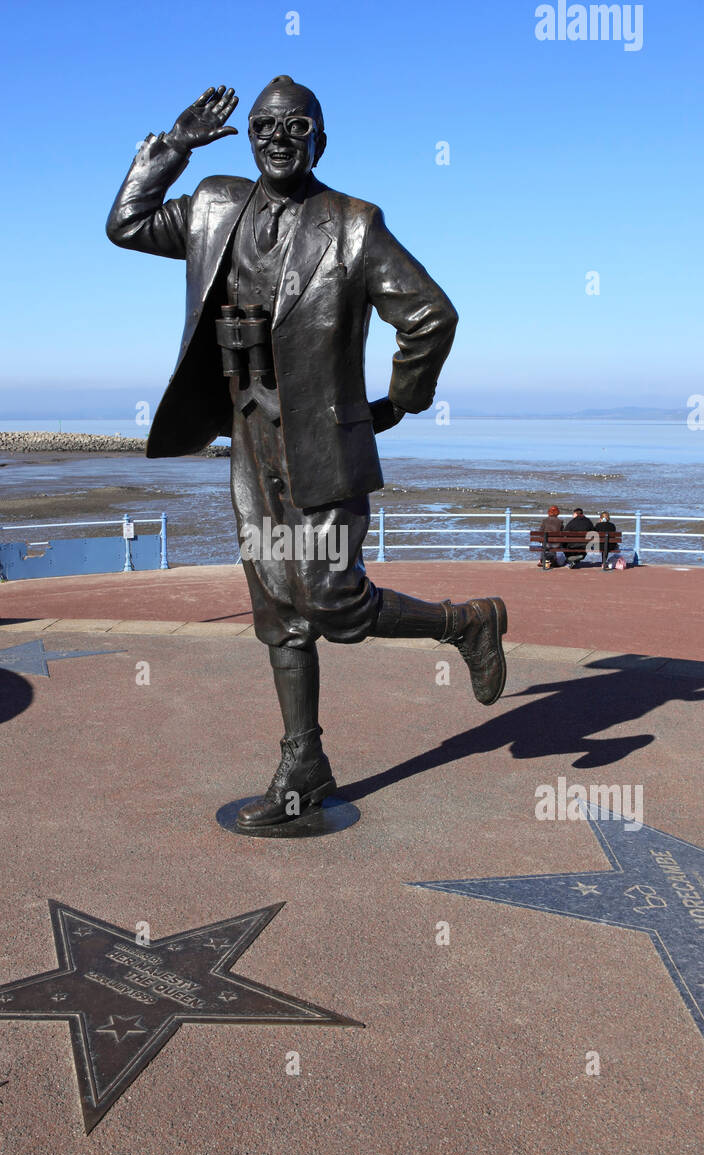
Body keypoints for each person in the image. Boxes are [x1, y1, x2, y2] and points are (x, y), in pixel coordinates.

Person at [106, 78, 508, 829]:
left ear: (320, 139)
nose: (278, 138)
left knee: (333, 602)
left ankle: (465, 623)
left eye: (296, 127)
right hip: (249, 439)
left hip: (322, 440)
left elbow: (429, 314)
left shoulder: (353, 224)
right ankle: (304, 762)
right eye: (264, 127)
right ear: (249, 138)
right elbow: (125, 225)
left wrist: (399, 402)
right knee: (277, 613)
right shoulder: (212, 206)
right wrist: (173, 147)